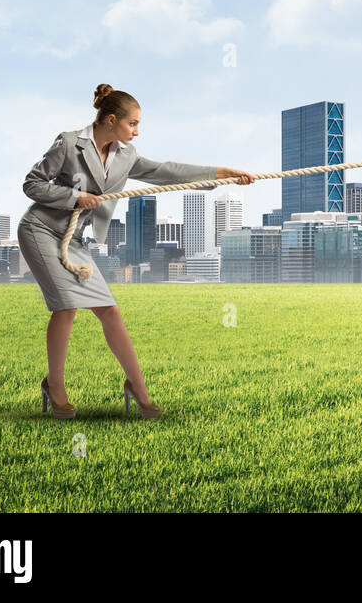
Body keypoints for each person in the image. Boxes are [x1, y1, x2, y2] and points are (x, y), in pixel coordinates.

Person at [19, 83, 254, 419]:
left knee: (110, 312)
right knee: (67, 308)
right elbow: (32, 183)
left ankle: (138, 389)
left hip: (73, 241)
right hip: (41, 230)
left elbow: (166, 171)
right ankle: (54, 385)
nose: (137, 131)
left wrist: (221, 174)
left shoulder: (126, 156)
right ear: (111, 120)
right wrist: (74, 198)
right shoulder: (70, 143)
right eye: (133, 124)